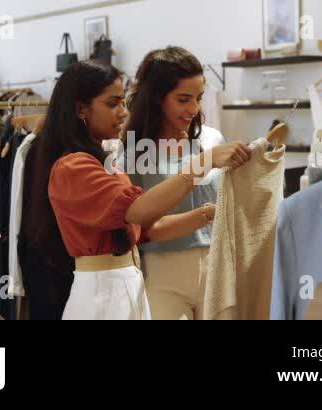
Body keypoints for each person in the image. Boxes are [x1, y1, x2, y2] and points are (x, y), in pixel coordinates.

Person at [40, 60, 251, 320]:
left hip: (128, 282)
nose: (121, 112)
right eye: (112, 103)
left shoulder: (105, 162)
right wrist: (203, 164)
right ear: (81, 109)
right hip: (106, 292)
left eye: (122, 103)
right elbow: (138, 211)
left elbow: (145, 229)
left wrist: (207, 214)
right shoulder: (74, 166)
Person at [123, 46, 233, 320]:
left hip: (217, 264)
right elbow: (146, 229)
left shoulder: (212, 140)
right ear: (157, 97)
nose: (194, 109)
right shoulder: (133, 154)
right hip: (161, 272)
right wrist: (207, 214)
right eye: (183, 99)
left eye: (198, 98)